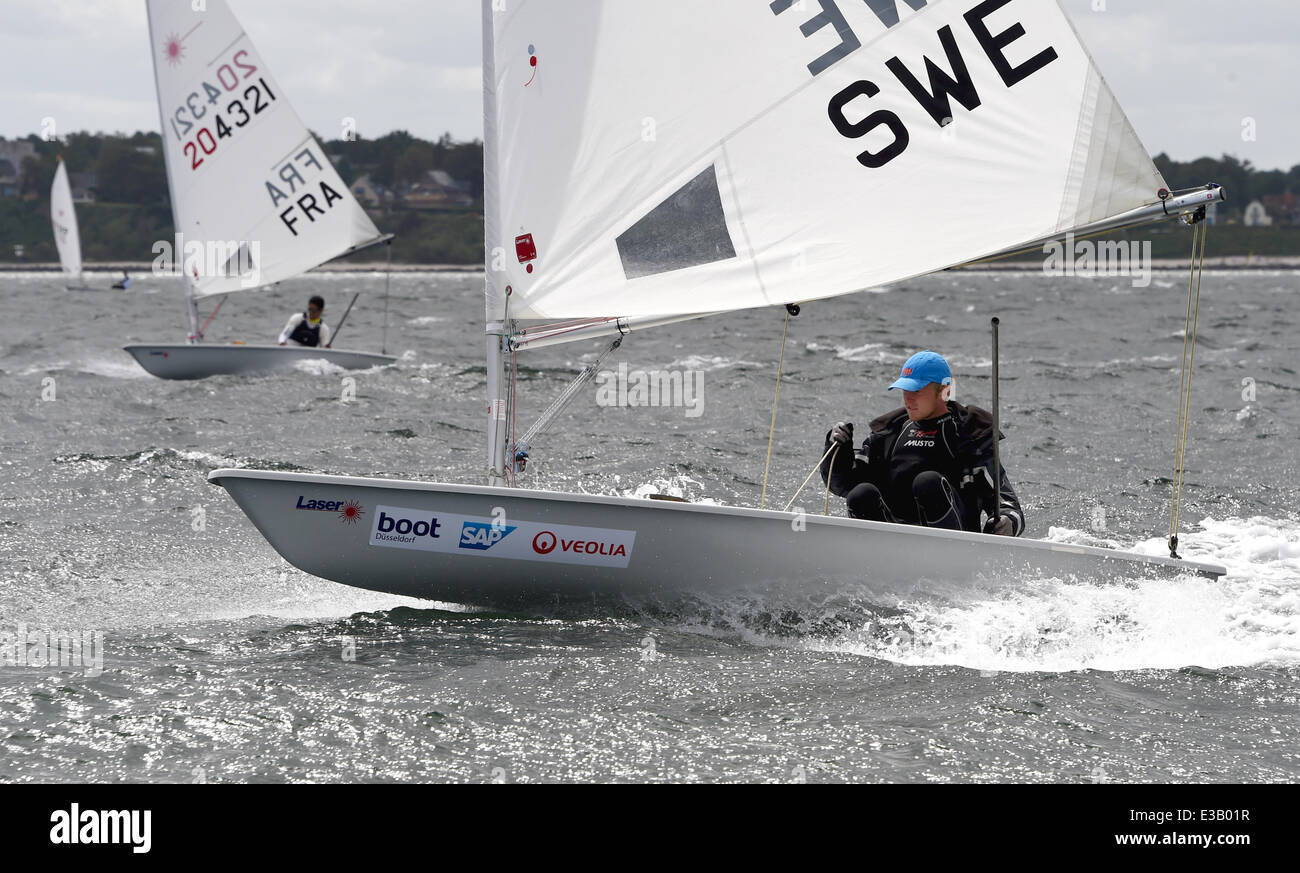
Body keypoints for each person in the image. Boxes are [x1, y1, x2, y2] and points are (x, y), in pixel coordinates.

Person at [820, 350, 1024, 536]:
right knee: (860, 494)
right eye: (904, 390)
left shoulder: (970, 437)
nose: (908, 399)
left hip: (955, 546)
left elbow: (1008, 505)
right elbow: (841, 486)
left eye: (916, 391)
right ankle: (872, 556)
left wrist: (1007, 521)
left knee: (927, 482)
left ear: (944, 391)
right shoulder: (889, 433)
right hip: (890, 542)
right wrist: (836, 449)